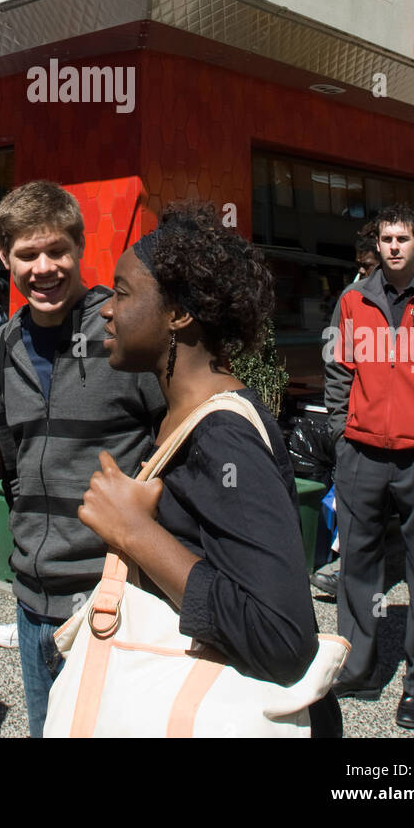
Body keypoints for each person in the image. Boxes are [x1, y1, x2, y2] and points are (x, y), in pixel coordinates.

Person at [77, 202, 340, 735]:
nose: (107, 310)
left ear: (178, 314)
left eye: (123, 293)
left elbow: (283, 639)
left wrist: (134, 532)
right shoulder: (184, 416)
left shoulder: (225, 438)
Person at [0, 180, 165, 737]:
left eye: (56, 250)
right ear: (4, 257)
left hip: (112, 597)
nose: (44, 267)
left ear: (81, 247)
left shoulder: (123, 335)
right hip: (31, 602)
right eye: (27, 254)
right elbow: (13, 470)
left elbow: (169, 453)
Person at [324, 202, 414, 728]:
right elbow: (339, 366)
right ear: (377, 244)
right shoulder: (353, 299)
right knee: (356, 565)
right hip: (361, 453)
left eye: (402, 238)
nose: (393, 247)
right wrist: (342, 430)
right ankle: (357, 666)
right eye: (385, 239)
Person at [311, 225, 383, 599]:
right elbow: (336, 364)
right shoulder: (350, 300)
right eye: (358, 266)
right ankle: (348, 568)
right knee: (353, 497)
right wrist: (340, 422)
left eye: (367, 267)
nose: (361, 275)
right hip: (359, 423)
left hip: (410, 434)